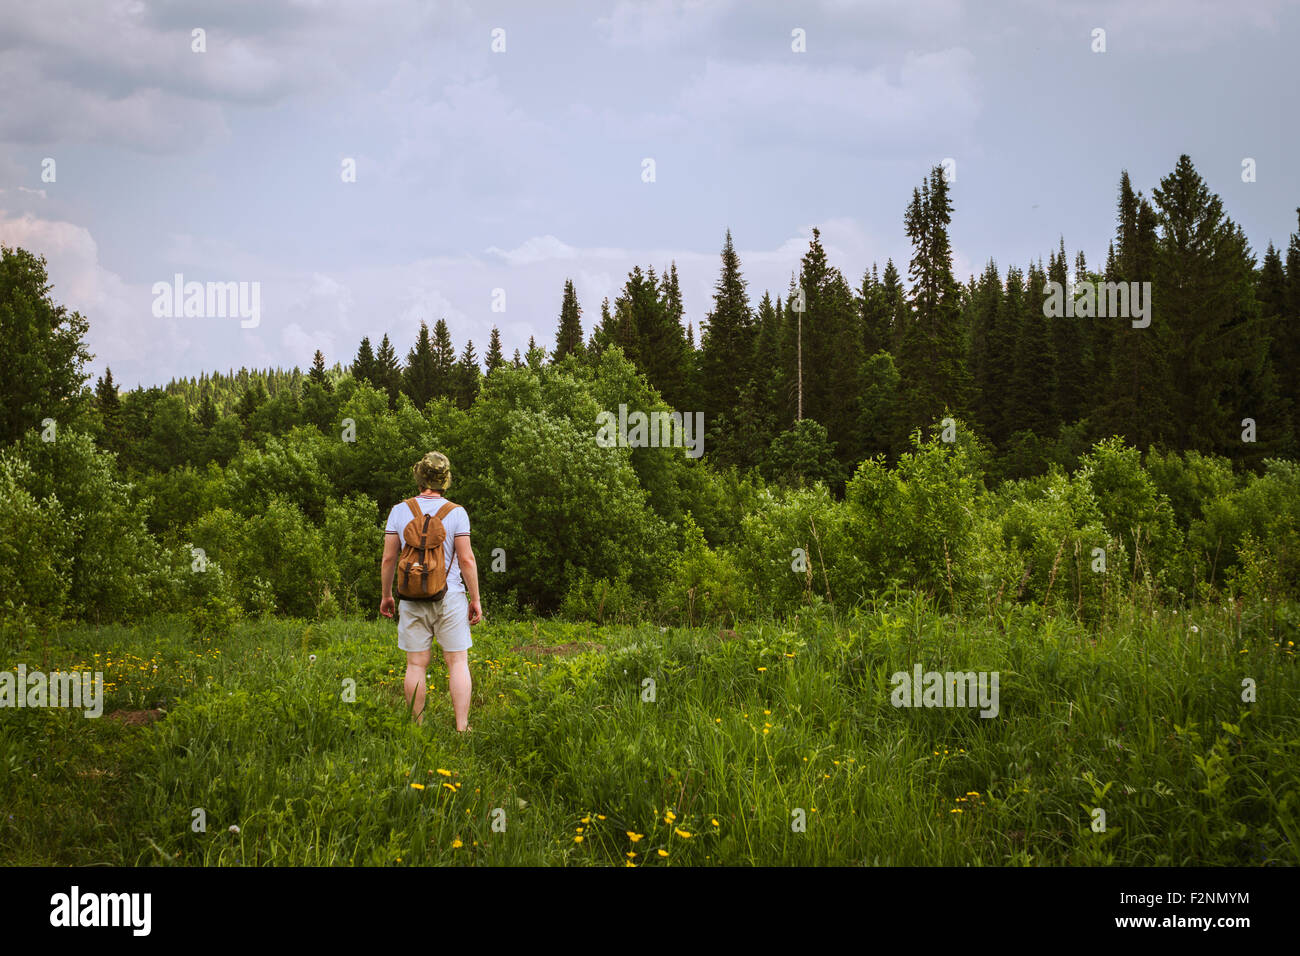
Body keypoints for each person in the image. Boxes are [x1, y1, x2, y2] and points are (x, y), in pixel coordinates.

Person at [379, 451, 482, 730]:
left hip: (411, 597)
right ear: (445, 480)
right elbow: (467, 559)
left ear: (420, 477)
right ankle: (462, 727)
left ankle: (417, 727)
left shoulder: (399, 511)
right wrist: (475, 599)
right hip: (450, 596)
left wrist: (387, 595)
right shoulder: (457, 513)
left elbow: (389, 558)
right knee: (457, 661)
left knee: (415, 664)